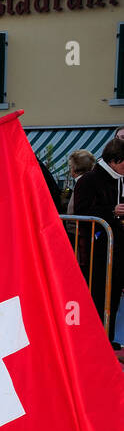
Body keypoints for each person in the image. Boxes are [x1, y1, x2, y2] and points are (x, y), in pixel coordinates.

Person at [71, 137, 124, 343]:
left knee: (113, 297)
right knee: (99, 296)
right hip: (97, 250)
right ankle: (95, 341)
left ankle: (107, 338)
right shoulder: (89, 180)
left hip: (116, 248)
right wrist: (112, 211)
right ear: (114, 161)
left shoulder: (118, 179)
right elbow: (82, 212)